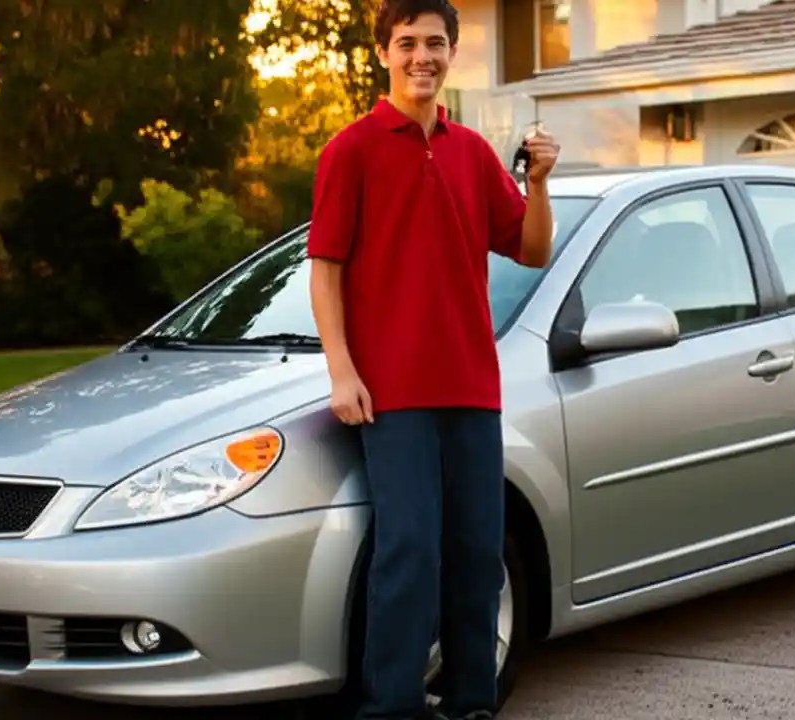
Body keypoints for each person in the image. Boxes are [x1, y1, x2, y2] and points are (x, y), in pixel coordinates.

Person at [306, 0, 559, 718]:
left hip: (472, 387)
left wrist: (538, 183)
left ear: (452, 52)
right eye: (408, 42)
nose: (423, 56)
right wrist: (342, 371)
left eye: (436, 43)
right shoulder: (350, 150)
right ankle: (391, 706)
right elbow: (325, 271)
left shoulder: (471, 152)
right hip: (392, 393)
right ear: (383, 53)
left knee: (477, 553)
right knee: (410, 550)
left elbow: (533, 248)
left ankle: (471, 701)